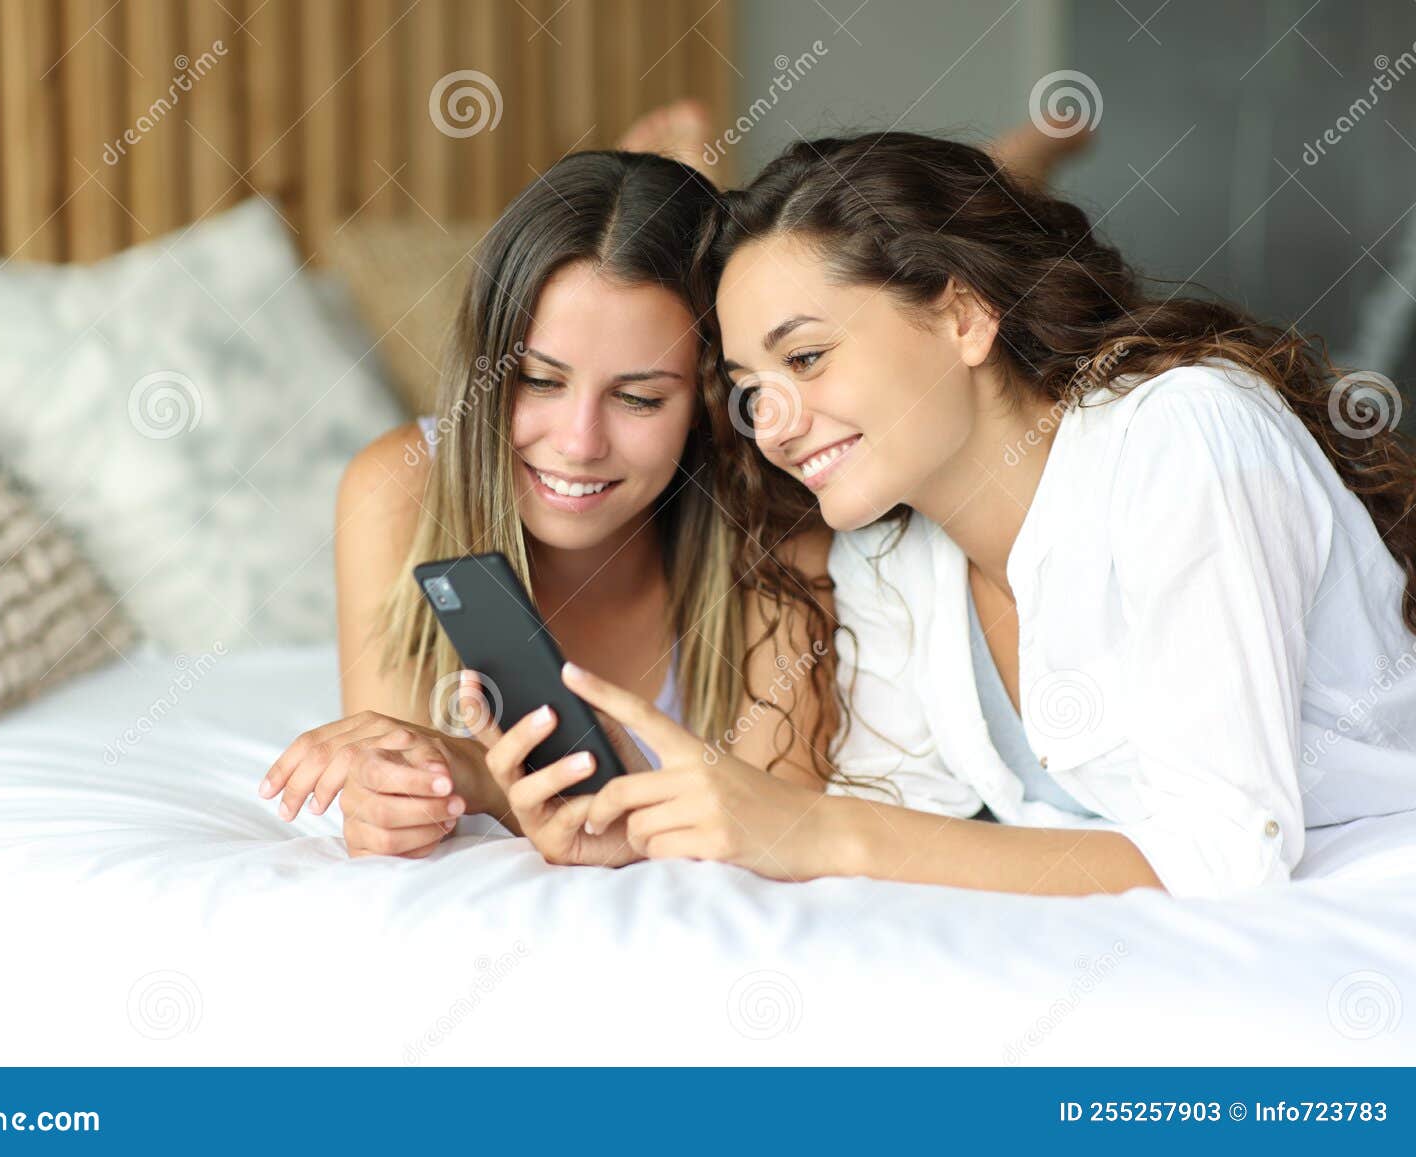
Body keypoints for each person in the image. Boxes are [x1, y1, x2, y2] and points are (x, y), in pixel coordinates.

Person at [481, 129, 1416, 899]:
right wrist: (650, 837)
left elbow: (1227, 859)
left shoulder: (1183, 437)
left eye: (805, 359)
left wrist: (818, 829)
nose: (773, 424)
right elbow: (892, 826)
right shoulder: (890, 547)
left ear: (965, 316)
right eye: (747, 389)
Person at [259, 148, 836, 858]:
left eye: (638, 397)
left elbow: (779, 836)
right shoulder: (397, 490)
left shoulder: (778, 530)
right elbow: (405, 790)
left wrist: (487, 776)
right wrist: (401, 797)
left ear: (707, 399)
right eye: (538, 379)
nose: (578, 442)